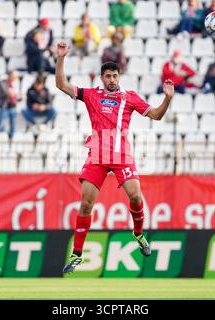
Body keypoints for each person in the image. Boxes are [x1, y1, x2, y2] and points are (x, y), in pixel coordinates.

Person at [55, 42, 175, 274]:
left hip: (122, 155)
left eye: (115, 76)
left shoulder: (129, 97)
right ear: (101, 78)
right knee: (86, 203)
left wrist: (167, 99)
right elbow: (61, 84)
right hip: (98, 155)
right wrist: (61, 58)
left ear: (119, 76)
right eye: (108, 76)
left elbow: (157, 116)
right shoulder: (91, 95)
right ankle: (77, 254)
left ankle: (138, 233)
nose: (112, 79)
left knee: (136, 196)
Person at [0, 70, 22, 138]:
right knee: (1, 124)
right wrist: (10, 93)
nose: (16, 78)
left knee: (13, 124)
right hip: (4, 106)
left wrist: (20, 97)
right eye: (14, 76)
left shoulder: (16, 84)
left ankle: (11, 138)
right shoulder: (3, 83)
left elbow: (15, 96)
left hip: (13, 106)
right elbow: (4, 93)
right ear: (10, 76)